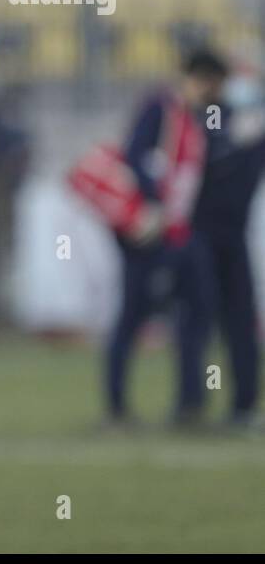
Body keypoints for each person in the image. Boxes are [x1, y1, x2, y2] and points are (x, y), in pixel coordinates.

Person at [106, 49, 225, 425]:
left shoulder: (194, 120)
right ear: (201, 79)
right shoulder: (161, 108)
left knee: (197, 312)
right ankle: (117, 406)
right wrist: (153, 201)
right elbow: (134, 154)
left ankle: (190, 404)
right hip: (151, 232)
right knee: (133, 316)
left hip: (182, 234)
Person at [183, 67, 265, 426]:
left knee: (238, 324)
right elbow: (206, 157)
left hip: (232, 236)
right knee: (198, 322)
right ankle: (192, 404)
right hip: (203, 236)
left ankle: (242, 406)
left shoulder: (251, 128)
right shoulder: (213, 120)